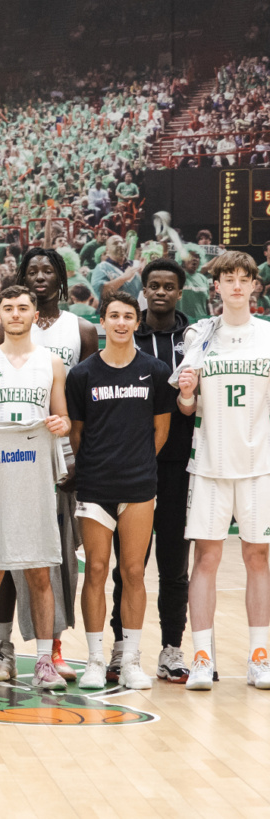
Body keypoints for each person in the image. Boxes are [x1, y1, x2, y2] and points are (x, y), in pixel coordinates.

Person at [0, 248, 98, 681]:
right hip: (7, 454)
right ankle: (4, 647)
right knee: (7, 556)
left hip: (60, 454)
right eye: (31, 270)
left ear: (61, 277)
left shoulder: (81, 329)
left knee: (57, 557)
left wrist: (78, 456)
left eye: (47, 269)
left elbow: (84, 403)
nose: (39, 276)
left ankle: (54, 648)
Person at [0, 285, 70, 691]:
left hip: (34, 478)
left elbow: (64, 419)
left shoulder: (52, 363)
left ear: (36, 314)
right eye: (9, 308)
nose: (16, 314)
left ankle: (43, 661)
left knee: (39, 572)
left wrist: (61, 425)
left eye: (24, 308)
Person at [67, 291, 174, 690]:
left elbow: (160, 431)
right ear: (103, 320)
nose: (121, 323)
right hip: (95, 484)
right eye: (114, 316)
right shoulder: (83, 374)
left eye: (129, 316)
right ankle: (95, 661)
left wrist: (136, 461)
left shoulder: (154, 369)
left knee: (133, 572)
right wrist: (99, 463)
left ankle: (130, 660)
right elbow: (78, 434)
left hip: (139, 484)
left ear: (137, 321)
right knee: (94, 570)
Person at [176, 251, 270, 691]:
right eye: (227, 278)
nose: (235, 285)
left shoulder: (268, 336)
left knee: (258, 558)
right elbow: (186, 405)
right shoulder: (200, 335)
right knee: (207, 558)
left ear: (255, 286)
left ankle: (259, 657)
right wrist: (188, 394)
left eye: (243, 279)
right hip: (210, 465)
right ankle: (201, 657)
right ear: (216, 286)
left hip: (259, 467)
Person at [107, 260, 193, 684]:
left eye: (169, 286)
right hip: (130, 465)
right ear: (144, 292)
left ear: (180, 291)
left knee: (174, 563)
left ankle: (172, 648)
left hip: (179, 465)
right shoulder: (127, 336)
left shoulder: (194, 339)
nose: (161, 292)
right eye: (154, 286)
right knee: (129, 564)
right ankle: (122, 646)